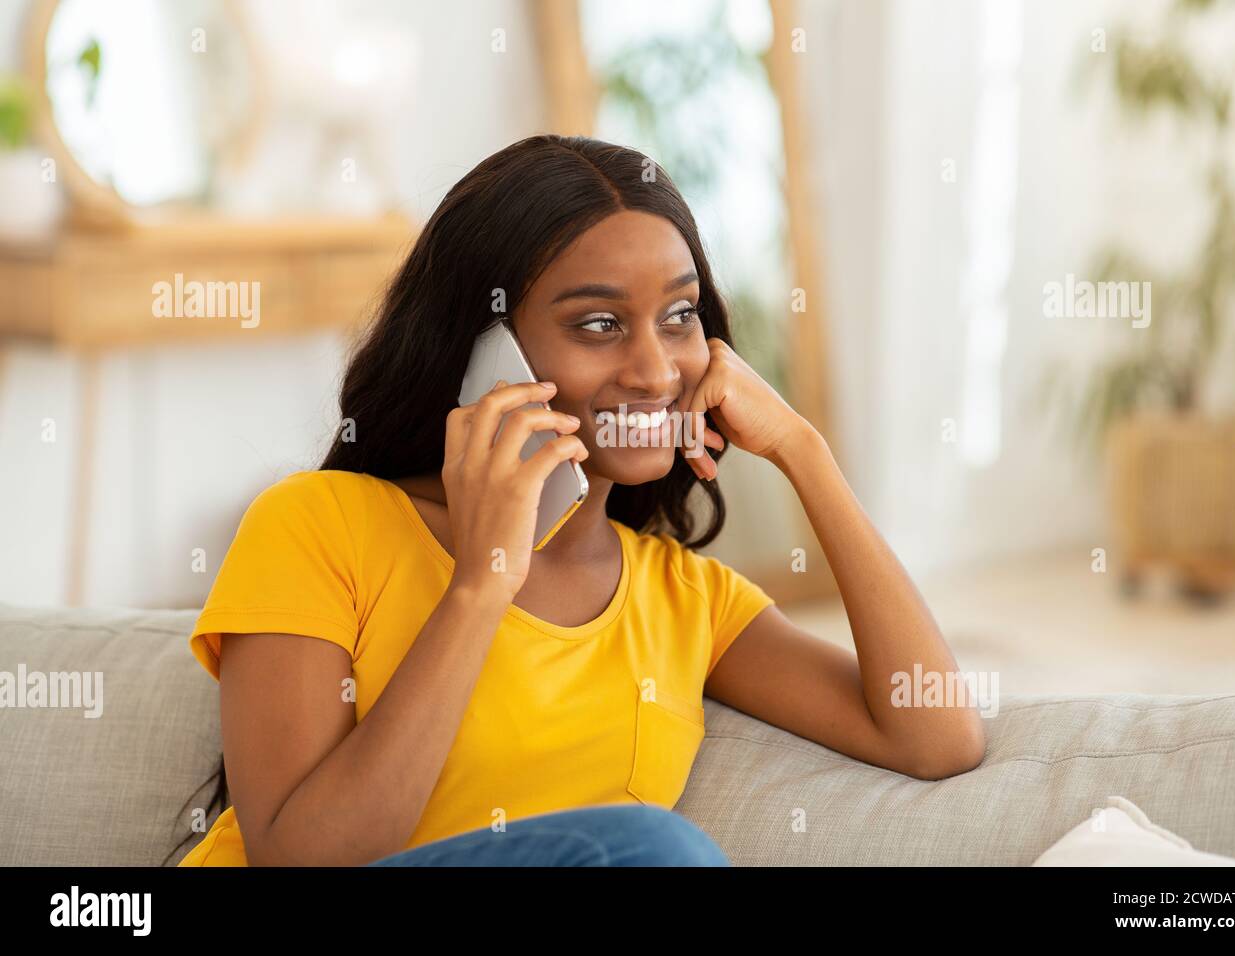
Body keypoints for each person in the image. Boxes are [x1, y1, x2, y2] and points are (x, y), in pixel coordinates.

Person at [173, 134, 984, 868]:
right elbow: (302, 859)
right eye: (599, 323)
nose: (657, 370)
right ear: (488, 352)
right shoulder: (317, 524)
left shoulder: (684, 602)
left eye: (679, 316)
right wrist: (484, 581)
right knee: (657, 852)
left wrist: (804, 454)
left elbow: (936, 734)